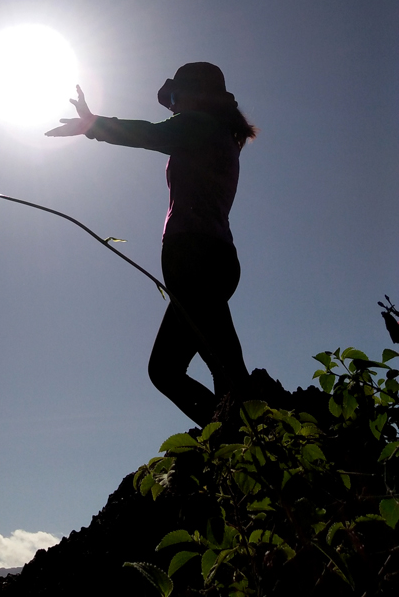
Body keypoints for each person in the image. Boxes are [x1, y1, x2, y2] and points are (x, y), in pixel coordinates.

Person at [46, 62, 256, 427]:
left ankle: (243, 438)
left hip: (198, 258)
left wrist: (92, 123)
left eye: (176, 96)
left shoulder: (201, 126)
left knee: (216, 368)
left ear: (197, 95)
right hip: (207, 257)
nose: (172, 105)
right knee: (173, 369)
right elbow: (156, 134)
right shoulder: (214, 132)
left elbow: (148, 133)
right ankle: (226, 434)